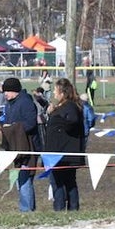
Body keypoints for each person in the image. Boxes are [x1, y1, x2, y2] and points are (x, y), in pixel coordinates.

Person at [0, 77, 40, 212]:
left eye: (8, 91)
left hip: (28, 147)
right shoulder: (9, 104)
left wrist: (12, 127)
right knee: (20, 179)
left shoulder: (26, 103)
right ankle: (27, 208)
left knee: (24, 178)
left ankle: (26, 210)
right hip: (15, 147)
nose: (5, 94)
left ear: (15, 90)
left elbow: (30, 124)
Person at [45, 78, 84, 211]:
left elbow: (72, 122)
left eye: (56, 91)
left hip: (64, 153)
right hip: (58, 152)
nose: (54, 94)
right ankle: (66, 208)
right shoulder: (62, 107)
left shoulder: (70, 107)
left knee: (63, 183)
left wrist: (58, 123)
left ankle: (63, 209)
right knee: (64, 182)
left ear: (62, 93)